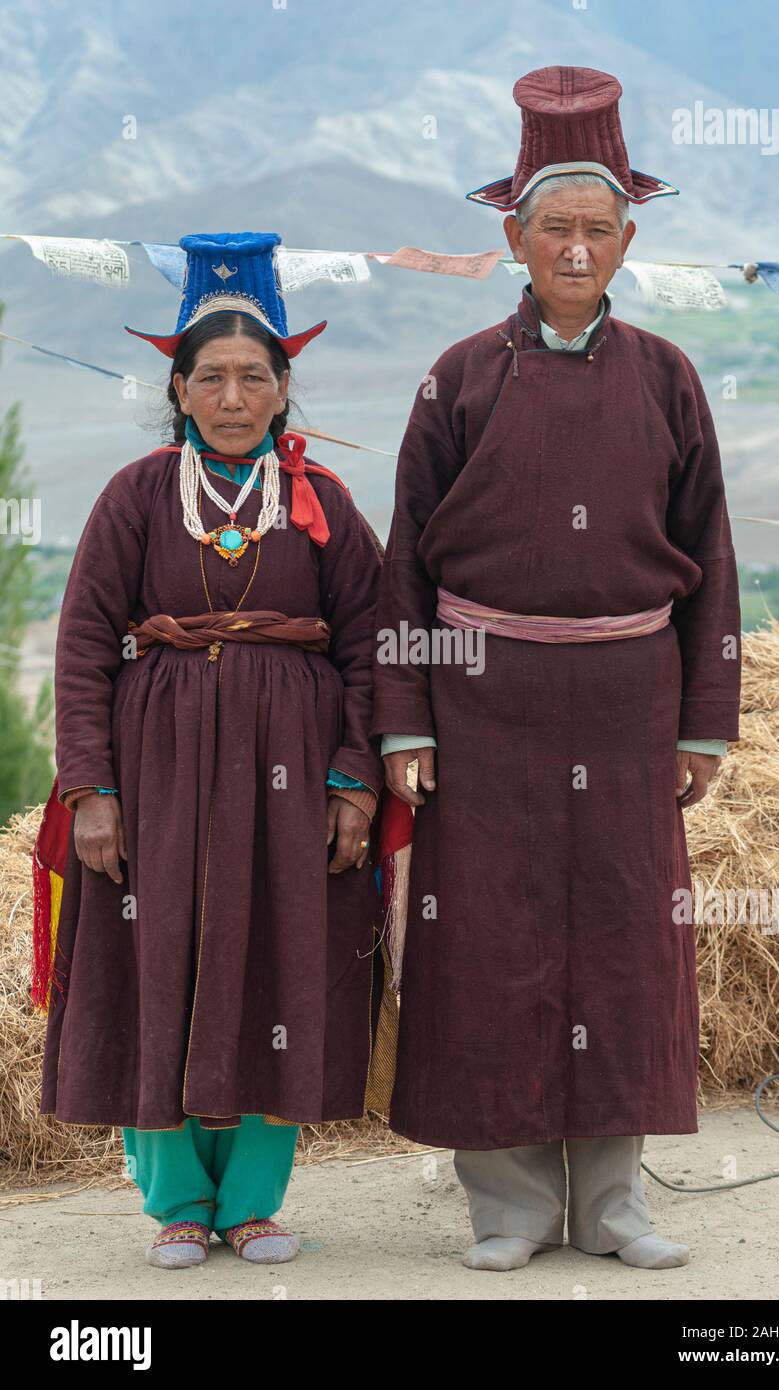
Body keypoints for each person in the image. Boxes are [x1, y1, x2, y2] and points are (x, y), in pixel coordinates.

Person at [372, 68, 741, 1272]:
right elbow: (402, 572)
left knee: (627, 940)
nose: (575, 248)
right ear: (511, 237)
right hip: (482, 704)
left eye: (596, 229)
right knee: (489, 936)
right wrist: (404, 723)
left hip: (629, 700)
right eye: (553, 228)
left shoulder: (669, 376)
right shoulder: (457, 379)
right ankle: (511, 1205)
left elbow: (713, 560)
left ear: (627, 238)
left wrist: (702, 722)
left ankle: (616, 1201)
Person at [37, 232, 385, 1268]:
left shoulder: (324, 504)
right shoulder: (134, 498)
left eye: (254, 377)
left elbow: (372, 645)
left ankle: (253, 1202)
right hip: (158, 777)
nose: (233, 396)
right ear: (178, 389)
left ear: (284, 390)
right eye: (212, 377)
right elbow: (84, 643)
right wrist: (91, 788)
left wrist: (353, 781)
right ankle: (177, 1198)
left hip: (291, 781)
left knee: (278, 959)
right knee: (159, 959)